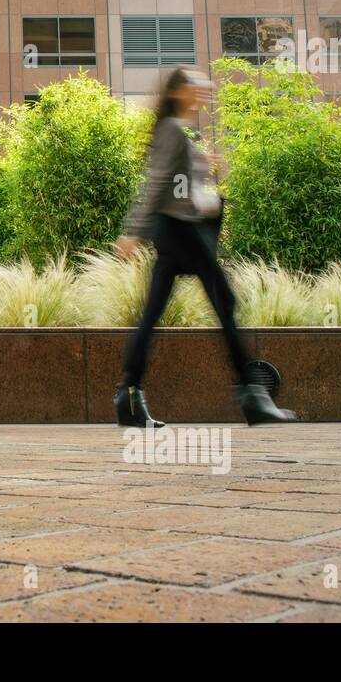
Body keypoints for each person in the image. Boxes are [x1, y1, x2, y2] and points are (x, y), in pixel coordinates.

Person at [113, 68, 295, 427]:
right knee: (225, 303)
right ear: (180, 91)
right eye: (197, 87)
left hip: (177, 231)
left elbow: (178, 185)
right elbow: (158, 182)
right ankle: (253, 396)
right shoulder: (171, 130)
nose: (203, 93)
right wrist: (133, 231)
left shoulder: (178, 130)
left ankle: (129, 397)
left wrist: (204, 170)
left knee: (152, 315)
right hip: (181, 232)